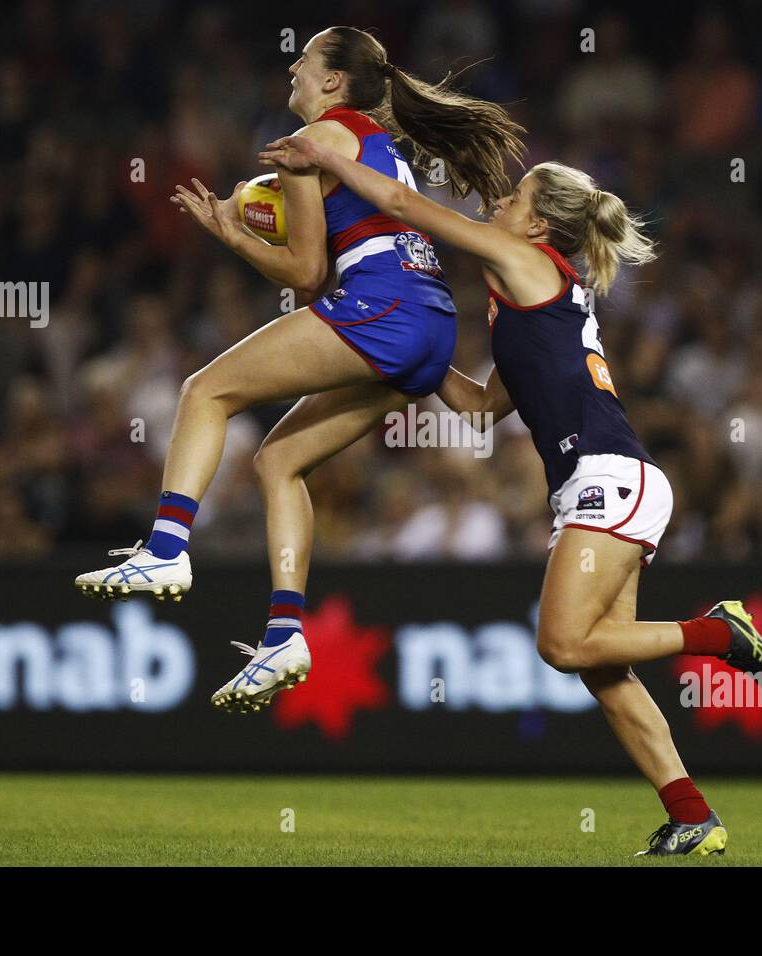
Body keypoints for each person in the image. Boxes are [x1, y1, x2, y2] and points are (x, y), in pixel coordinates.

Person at [260, 134, 762, 857]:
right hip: (608, 482)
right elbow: (479, 408)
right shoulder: (530, 294)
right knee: (604, 669)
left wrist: (327, 164)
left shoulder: (529, 262)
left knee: (563, 643)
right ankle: (692, 814)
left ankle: (718, 634)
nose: (500, 202)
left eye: (514, 197)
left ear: (538, 226)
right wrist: (417, 353)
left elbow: (407, 203)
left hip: (609, 479)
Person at [74, 26, 524, 715]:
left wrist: (233, 235)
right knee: (279, 460)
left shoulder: (308, 148)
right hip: (431, 318)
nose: (292, 63)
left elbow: (309, 273)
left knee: (205, 390)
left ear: (334, 81)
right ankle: (284, 633)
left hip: (381, 305)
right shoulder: (376, 146)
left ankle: (166, 546)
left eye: (305, 58)